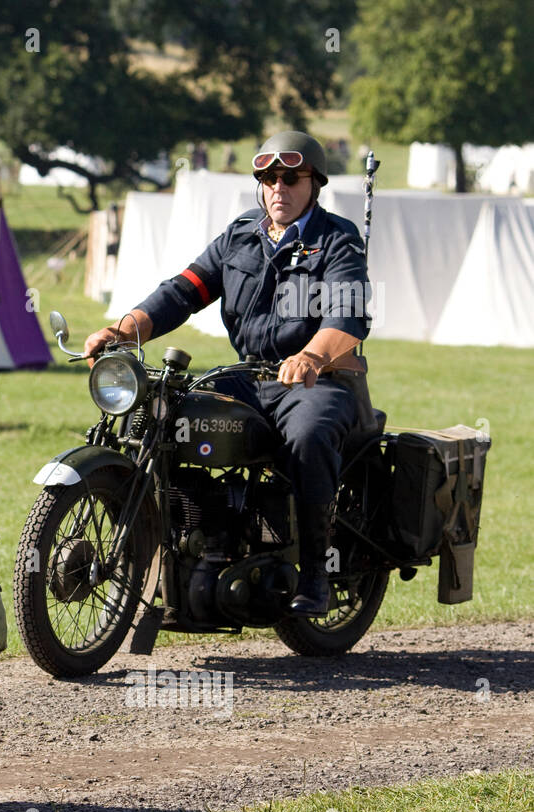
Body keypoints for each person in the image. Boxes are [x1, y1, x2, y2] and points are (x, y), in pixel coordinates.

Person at [84, 131, 373, 616]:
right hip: (248, 376)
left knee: (307, 437)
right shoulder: (241, 234)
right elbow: (183, 291)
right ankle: (196, 537)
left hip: (316, 382)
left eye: (290, 178)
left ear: (314, 183)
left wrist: (313, 357)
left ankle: (315, 575)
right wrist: (122, 329)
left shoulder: (336, 239)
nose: (278, 187)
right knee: (163, 409)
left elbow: (348, 316)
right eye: (268, 178)